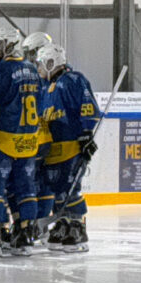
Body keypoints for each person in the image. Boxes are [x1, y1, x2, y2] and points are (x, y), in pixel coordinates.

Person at [0, 28, 41, 257]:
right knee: (25, 188)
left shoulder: (0, 70)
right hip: (28, 141)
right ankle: (25, 234)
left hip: (3, 140)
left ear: (11, 45)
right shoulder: (33, 71)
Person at [36, 44, 98, 253]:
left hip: (71, 146)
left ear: (51, 62)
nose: (39, 68)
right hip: (53, 149)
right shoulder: (47, 86)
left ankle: (78, 226)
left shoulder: (73, 80)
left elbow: (88, 108)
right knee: (57, 189)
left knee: (70, 188)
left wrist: (86, 134)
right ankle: (64, 223)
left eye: (41, 64)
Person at [21, 32, 56, 242]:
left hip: (40, 141)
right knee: (40, 185)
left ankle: (38, 225)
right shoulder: (39, 76)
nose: (29, 58)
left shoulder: (47, 78)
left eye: (31, 53)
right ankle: (37, 226)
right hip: (40, 140)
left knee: (39, 185)